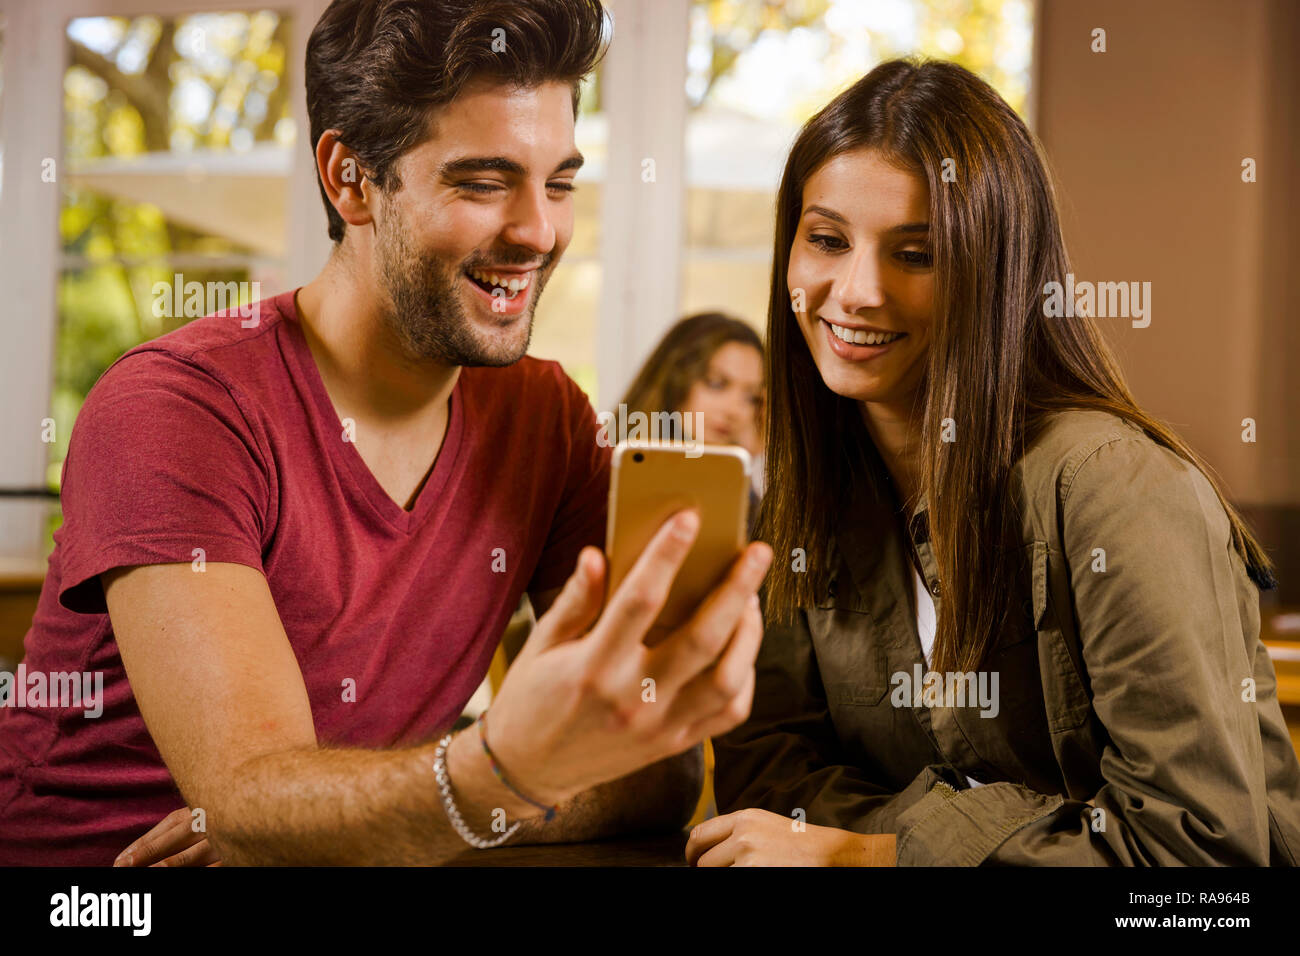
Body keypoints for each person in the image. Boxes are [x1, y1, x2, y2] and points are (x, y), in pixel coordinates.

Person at [0, 0, 772, 866]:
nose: (539, 231)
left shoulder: (546, 418)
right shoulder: (178, 408)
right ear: (351, 178)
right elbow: (250, 791)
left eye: (557, 182)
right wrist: (459, 784)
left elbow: (659, 771)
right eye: (482, 183)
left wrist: (367, 821)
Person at [689, 59, 1300, 866]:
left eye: (917, 254)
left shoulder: (1117, 488)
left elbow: (1198, 867)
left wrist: (868, 854)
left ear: (996, 276)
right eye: (827, 240)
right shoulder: (804, 496)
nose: (857, 291)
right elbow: (770, 779)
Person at [617, 312, 765, 463]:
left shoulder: (746, 473)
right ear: (673, 379)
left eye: (752, 398)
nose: (734, 410)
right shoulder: (609, 468)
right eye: (716, 384)